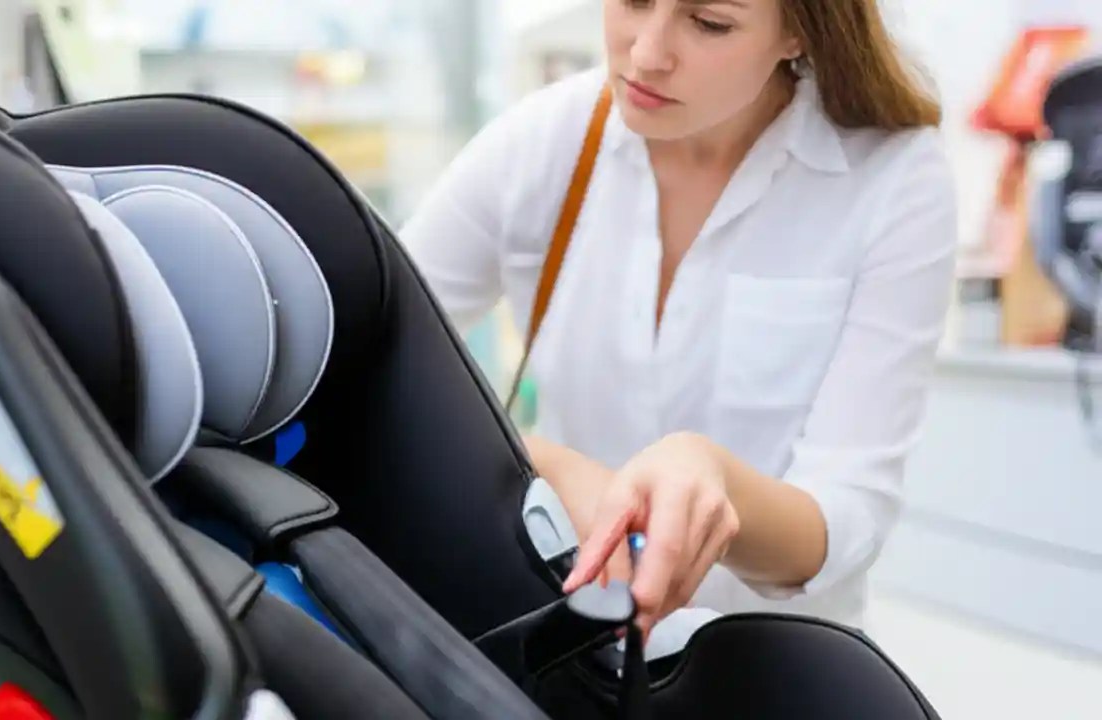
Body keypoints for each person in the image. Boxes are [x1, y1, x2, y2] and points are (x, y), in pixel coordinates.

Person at [400, 0, 958, 642]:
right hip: (574, 649)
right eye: (635, 2)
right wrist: (542, 462)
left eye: (710, 23)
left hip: (773, 670)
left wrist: (719, 484)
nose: (646, 54)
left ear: (801, 29)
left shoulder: (893, 179)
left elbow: (848, 513)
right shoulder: (545, 141)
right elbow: (362, 347)